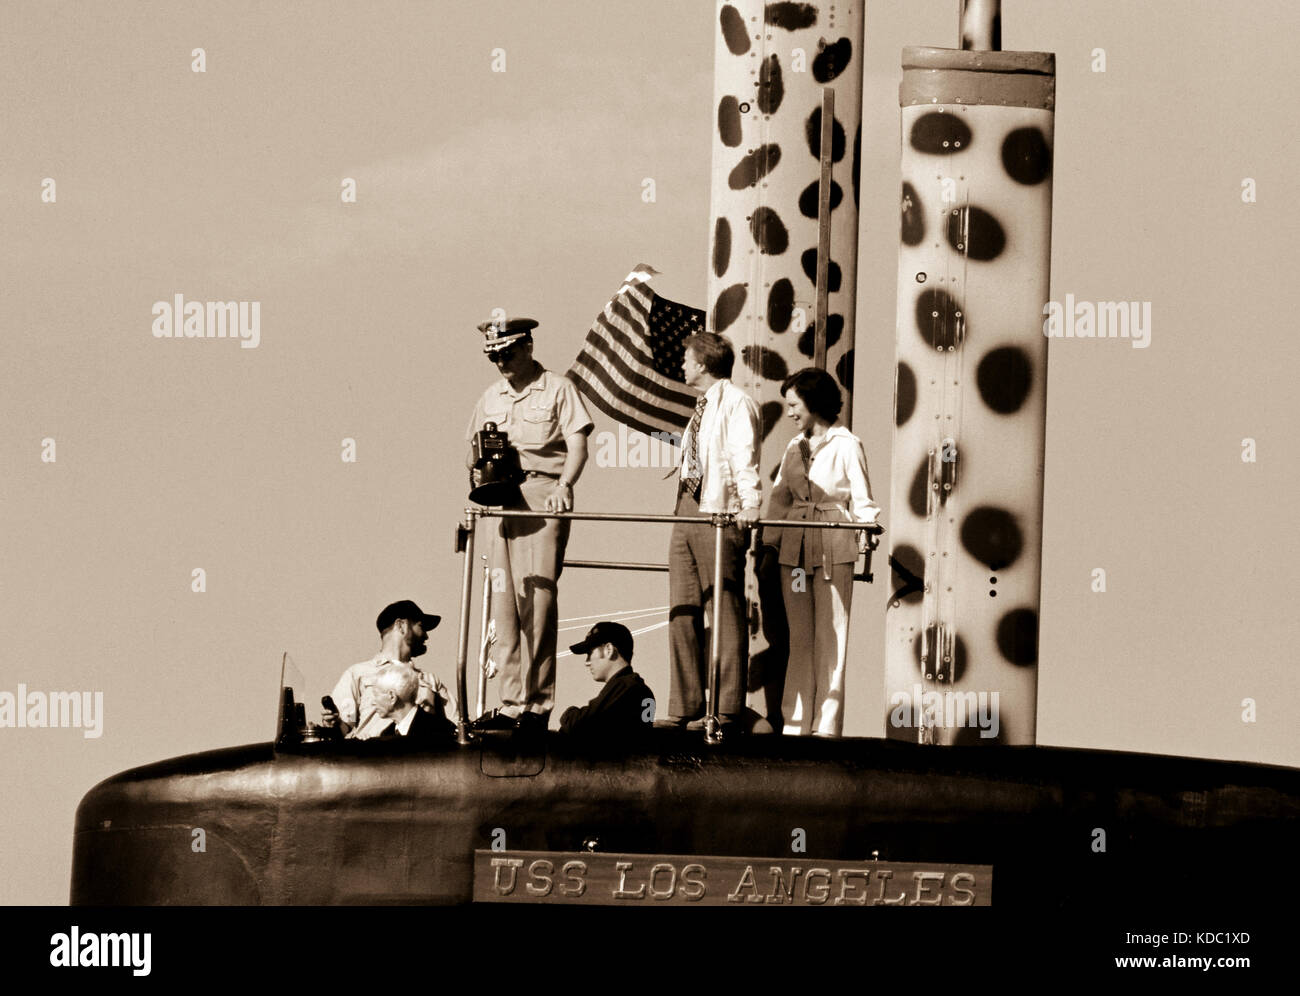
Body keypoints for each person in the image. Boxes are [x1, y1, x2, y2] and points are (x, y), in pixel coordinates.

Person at [466, 317, 594, 731]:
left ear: (527, 347)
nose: (500, 362)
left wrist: (565, 485)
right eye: (493, 356)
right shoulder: (490, 397)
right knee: (503, 605)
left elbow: (578, 445)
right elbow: (473, 457)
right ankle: (510, 701)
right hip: (498, 501)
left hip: (541, 497)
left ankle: (536, 705)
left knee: (537, 602)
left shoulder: (559, 389)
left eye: (506, 353)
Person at [759, 368, 879, 736]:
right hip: (794, 552)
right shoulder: (794, 447)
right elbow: (780, 499)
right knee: (800, 638)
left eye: (794, 404)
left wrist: (867, 528)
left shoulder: (847, 444)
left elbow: (862, 496)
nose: (791, 412)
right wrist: (768, 544)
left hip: (832, 547)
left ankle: (826, 727)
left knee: (832, 636)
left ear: (813, 402)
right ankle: (795, 723)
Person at [662, 332, 761, 732]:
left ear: (702, 363)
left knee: (722, 607)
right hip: (687, 506)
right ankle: (685, 702)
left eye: (687, 358)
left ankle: (726, 705)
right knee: (681, 607)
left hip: (718, 508)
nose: (682, 365)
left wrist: (750, 501)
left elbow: (743, 454)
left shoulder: (736, 403)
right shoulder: (700, 407)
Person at [322, 599, 455, 736]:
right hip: (372, 755)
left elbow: (457, 729)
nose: (426, 635)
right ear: (401, 625)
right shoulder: (357, 674)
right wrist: (335, 723)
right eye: (421, 626)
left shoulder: (431, 680)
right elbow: (345, 729)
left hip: (419, 755)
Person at [558, 622, 655, 742]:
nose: (587, 662)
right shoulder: (641, 688)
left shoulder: (625, 686)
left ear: (609, 650)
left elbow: (578, 725)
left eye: (589, 653)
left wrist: (569, 714)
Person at [347, 665, 454, 741]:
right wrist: (365, 747)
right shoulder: (386, 735)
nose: (373, 703)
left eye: (376, 695)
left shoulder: (440, 730)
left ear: (392, 696)